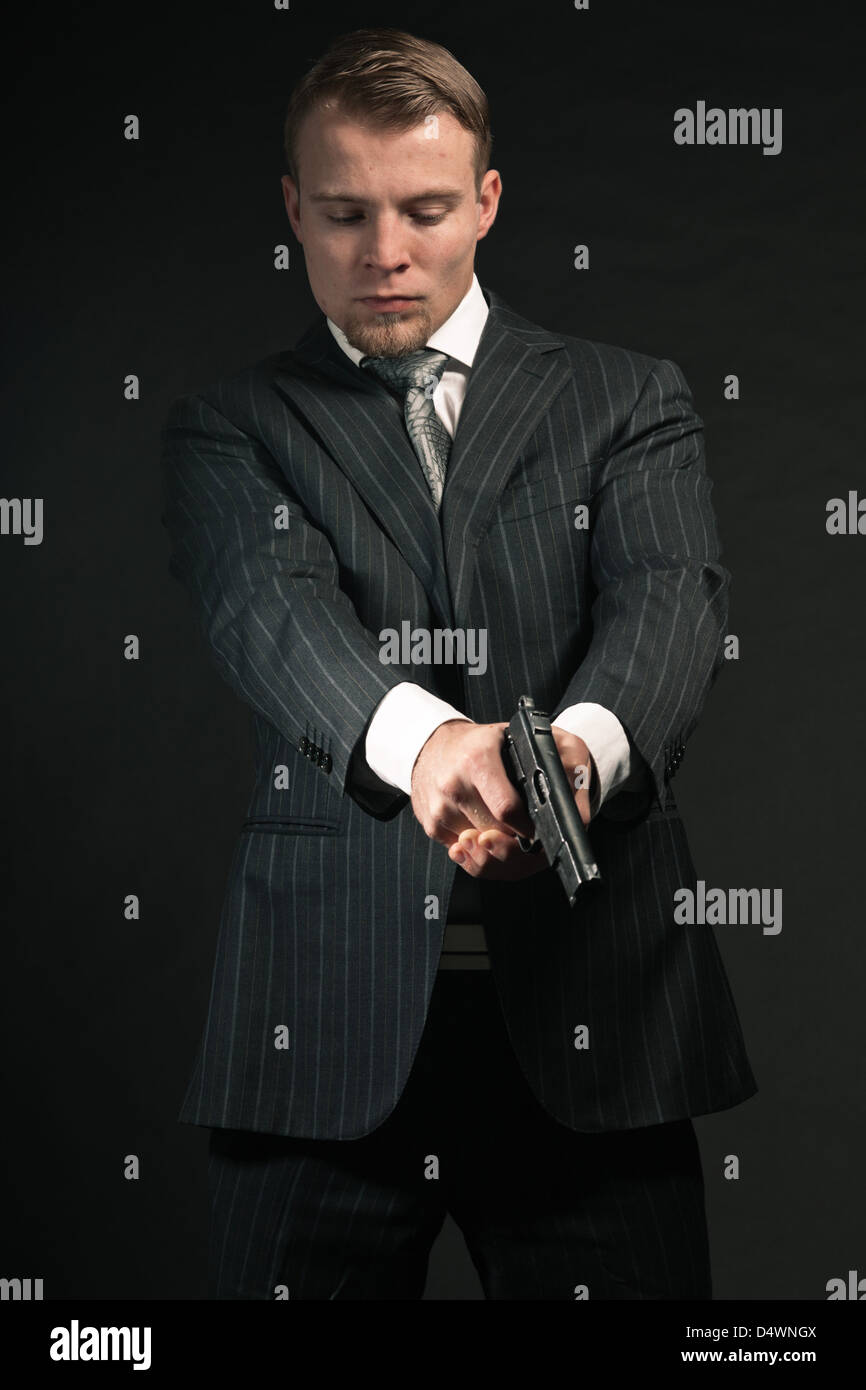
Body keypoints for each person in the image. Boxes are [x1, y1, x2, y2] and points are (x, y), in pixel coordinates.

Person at [160, 26, 757, 1300]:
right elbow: (268, 614)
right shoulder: (230, 428)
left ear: (486, 201)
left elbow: (666, 602)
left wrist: (569, 768)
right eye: (344, 214)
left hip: (594, 1025)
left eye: (425, 209)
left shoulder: (626, 398)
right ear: (292, 210)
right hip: (316, 1035)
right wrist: (434, 748)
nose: (384, 253)